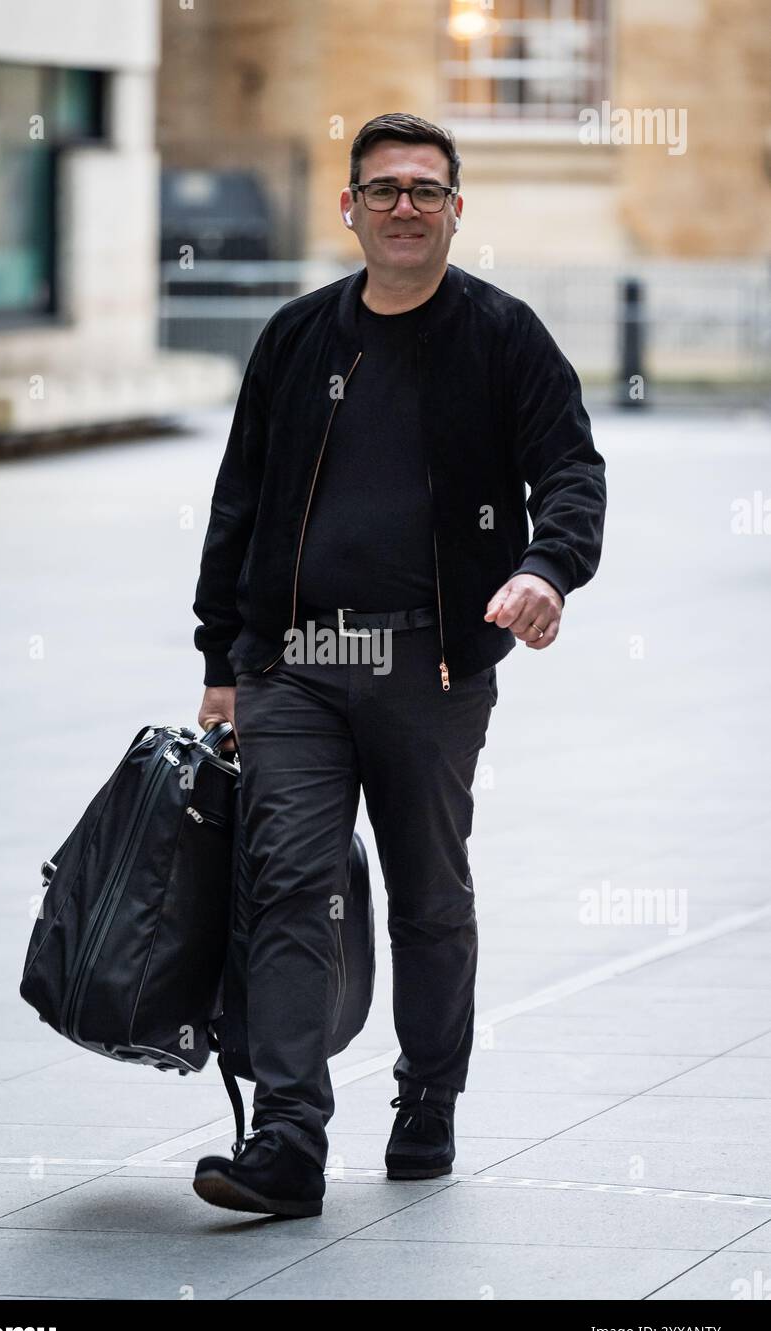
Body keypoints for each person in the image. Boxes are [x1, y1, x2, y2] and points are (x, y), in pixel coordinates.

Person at [190, 113, 607, 1218]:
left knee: (428, 892)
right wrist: (219, 656)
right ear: (349, 210)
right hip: (295, 665)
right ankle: (286, 1136)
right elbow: (239, 504)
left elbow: (569, 471)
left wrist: (545, 572)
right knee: (288, 882)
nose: (405, 207)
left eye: (426, 190)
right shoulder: (294, 340)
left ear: (456, 210)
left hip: (428, 665)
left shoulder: (501, 336)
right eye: (383, 191)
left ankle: (426, 1096)